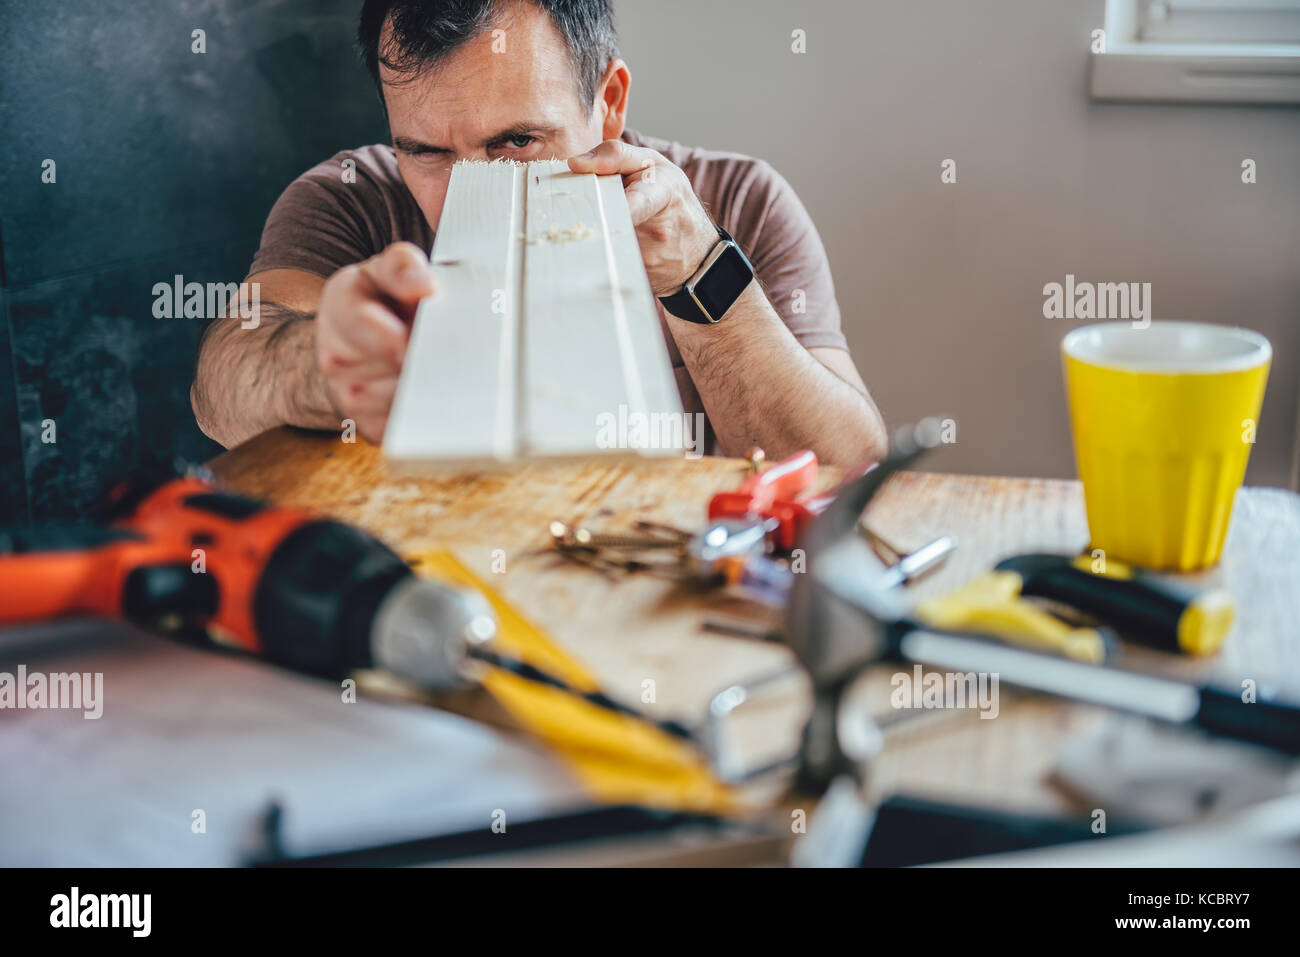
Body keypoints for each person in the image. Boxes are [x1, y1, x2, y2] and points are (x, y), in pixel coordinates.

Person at [192, 0, 887, 465]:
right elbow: (218, 396)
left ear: (608, 103)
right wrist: (327, 362)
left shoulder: (740, 198)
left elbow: (848, 467)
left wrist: (701, 279)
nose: (467, 187)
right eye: (426, 151)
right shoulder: (350, 200)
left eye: (516, 141)